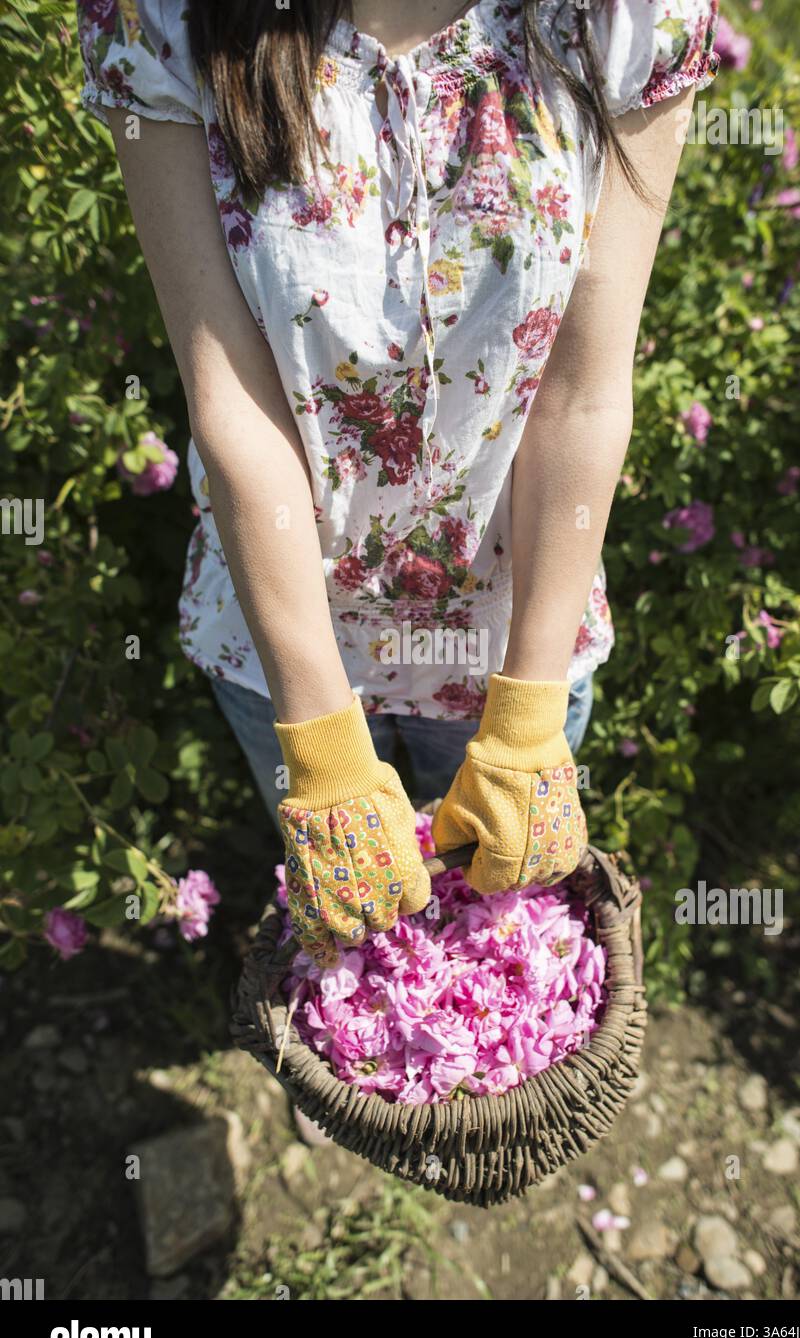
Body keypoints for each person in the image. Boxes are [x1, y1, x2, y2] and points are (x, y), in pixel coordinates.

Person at [75, 0, 720, 968]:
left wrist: (530, 719)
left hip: (516, 642)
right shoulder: (161, 18)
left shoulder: (623, 16)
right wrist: (324, 747)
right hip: (286, 651)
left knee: (495, 972)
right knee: (361, 968)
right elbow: (232, 397)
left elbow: (585, 391)